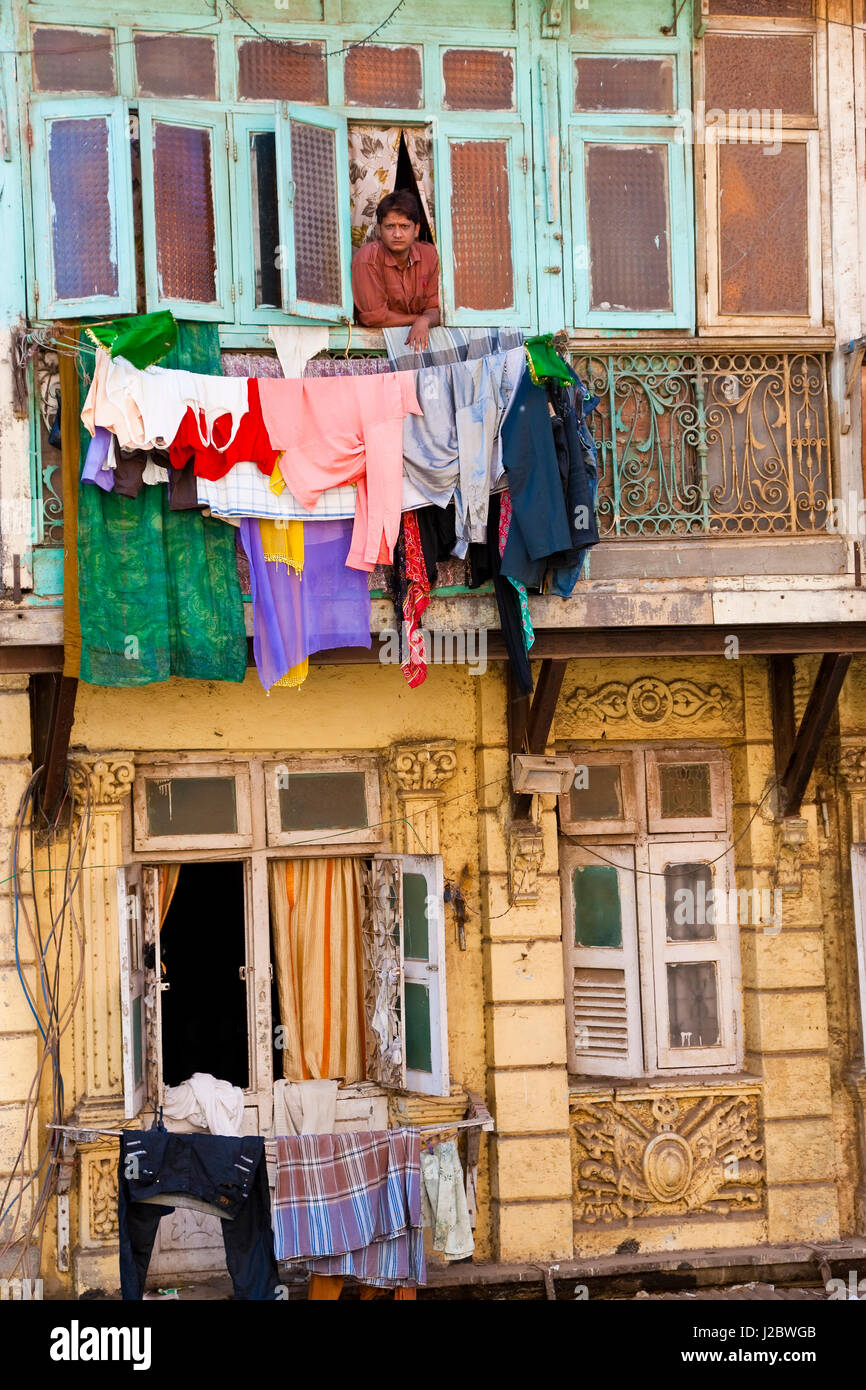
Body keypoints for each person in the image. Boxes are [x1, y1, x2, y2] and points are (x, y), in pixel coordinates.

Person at [351, 189, 440, 353]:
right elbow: (374, 318)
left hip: (422, 344)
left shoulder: (429, 256)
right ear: (379, 229)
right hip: (373, 347)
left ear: (417, 230)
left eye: (404, 226)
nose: (397, 234)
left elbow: (436, 308)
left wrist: (425, 320)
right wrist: (419, 319)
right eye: (390, 226)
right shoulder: (367, 259)